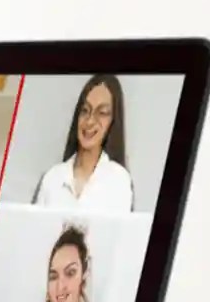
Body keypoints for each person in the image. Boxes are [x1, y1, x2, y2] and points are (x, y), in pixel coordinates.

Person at [32, 74, 134, 212]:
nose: (90, 121)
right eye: (85, 110)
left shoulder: (119, 180)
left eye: (102, 113)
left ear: (113, 122)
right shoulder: (52, 178)